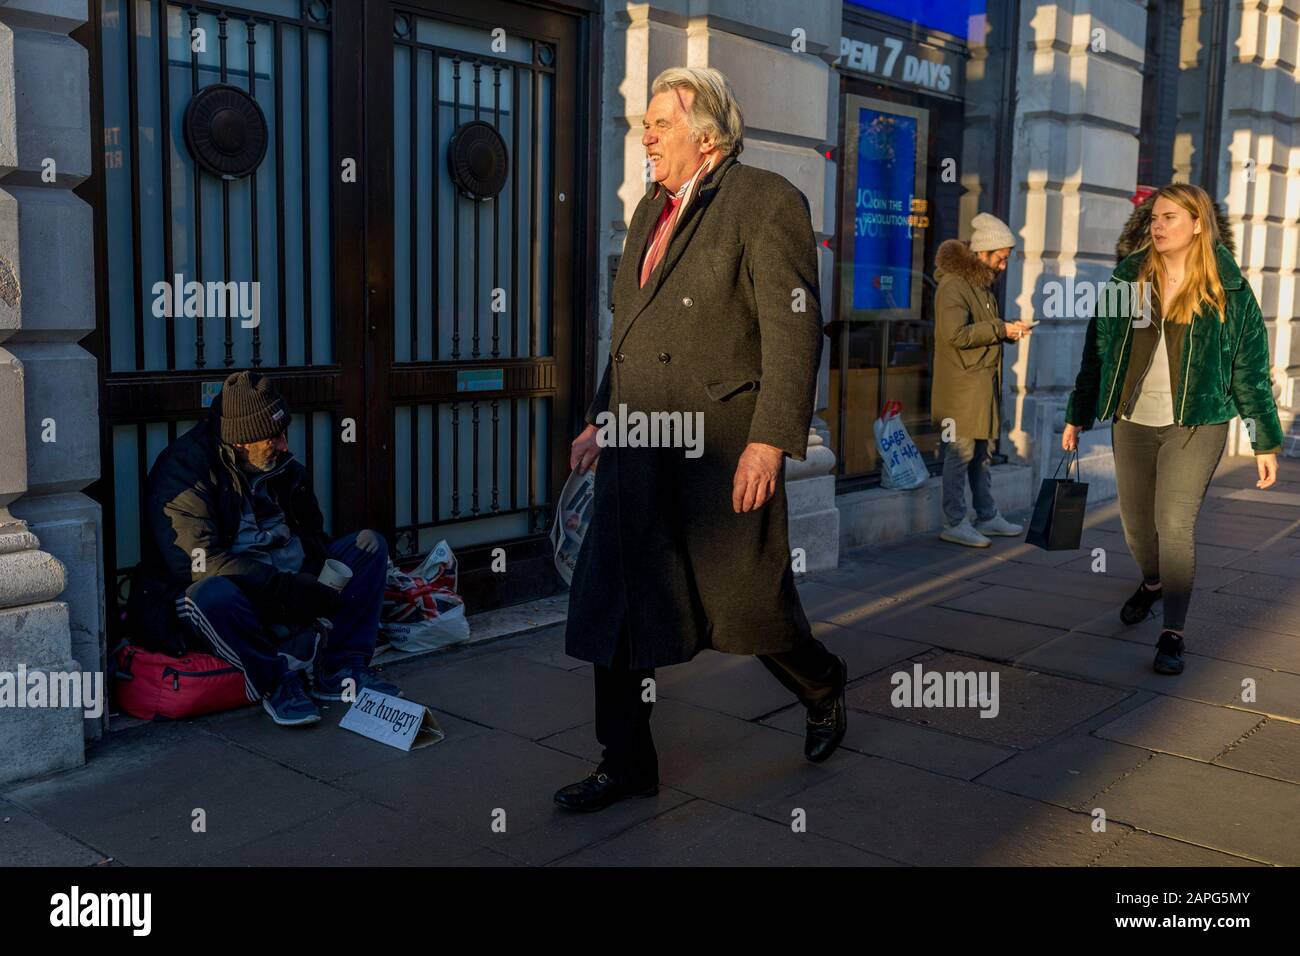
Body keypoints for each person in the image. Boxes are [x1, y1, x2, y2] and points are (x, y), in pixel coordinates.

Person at [554, 67, 847, 813]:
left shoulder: (767, 202)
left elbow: (793, 330)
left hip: (717, 451)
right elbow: (629, 329)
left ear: (706, 134)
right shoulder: (648, 209)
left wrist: (771, 442)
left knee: (750, 609)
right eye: (644, 125)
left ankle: (821, 683)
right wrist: (599, 416)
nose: (644, 137)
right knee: (614, 608)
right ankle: (625, 762)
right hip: (638, 443)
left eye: (659, 123)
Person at [1064, 182, 1281, 675]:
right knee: (1139, 529)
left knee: (1174, 524)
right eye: (1154, 218)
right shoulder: (1129, 280)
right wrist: (1078, 412)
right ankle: (1153, 584)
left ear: (1198, 224)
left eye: (1169, 218)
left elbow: (1249, 370)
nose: (1157, 226)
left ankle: (1173, 632)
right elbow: (1097, 350)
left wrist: (1263, 438)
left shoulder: (1228, 290)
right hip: (1133, 421)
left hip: (1197, 424)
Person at [129, 370, 400, 726]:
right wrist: (287, 589)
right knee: (210, 594)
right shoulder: (183, 470)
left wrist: (317, 582)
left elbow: (313, 536)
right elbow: (199, 562)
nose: (284, 444)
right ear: (241, 441)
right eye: (273, 438)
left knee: (368, 547)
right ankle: (276, 683)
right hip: (225, 590)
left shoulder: (284, 467)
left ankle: (340, 669)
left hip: (284, 582)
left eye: (284, 433)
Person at [931, 213, 1035, 547]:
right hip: (961, 386)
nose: (1004, 265)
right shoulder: (954, 285)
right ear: (984, 253)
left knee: (981, 454)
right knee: (959, 455)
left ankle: (987, 515)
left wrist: (1006, 330)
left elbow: (978, 329)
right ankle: (955, 521)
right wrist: (1000, 329)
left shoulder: (979, 284)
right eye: (1001, 258)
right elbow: (954, 335)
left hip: (978, 384)